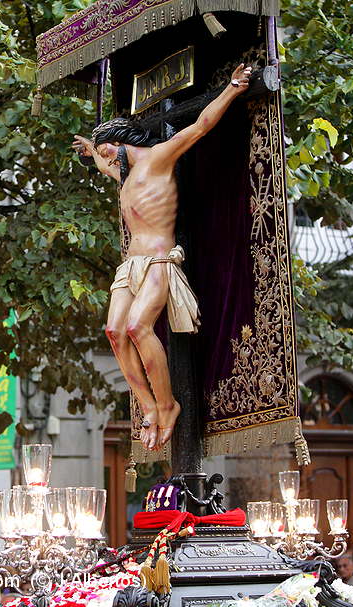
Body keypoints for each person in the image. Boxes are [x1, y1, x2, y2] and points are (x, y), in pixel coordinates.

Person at [72, 63, 254, 451]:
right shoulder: (123, 172)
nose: (105, 159)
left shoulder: (158, 158)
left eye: (107, 150)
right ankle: (148, 407)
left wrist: (232, 89)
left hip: (158, 261)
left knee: (139, 328)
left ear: (122, 143)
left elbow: (201, 126)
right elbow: (106, 165)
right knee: (114, 332)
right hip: (130, 267)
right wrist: (91, 151)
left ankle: (167, 406)